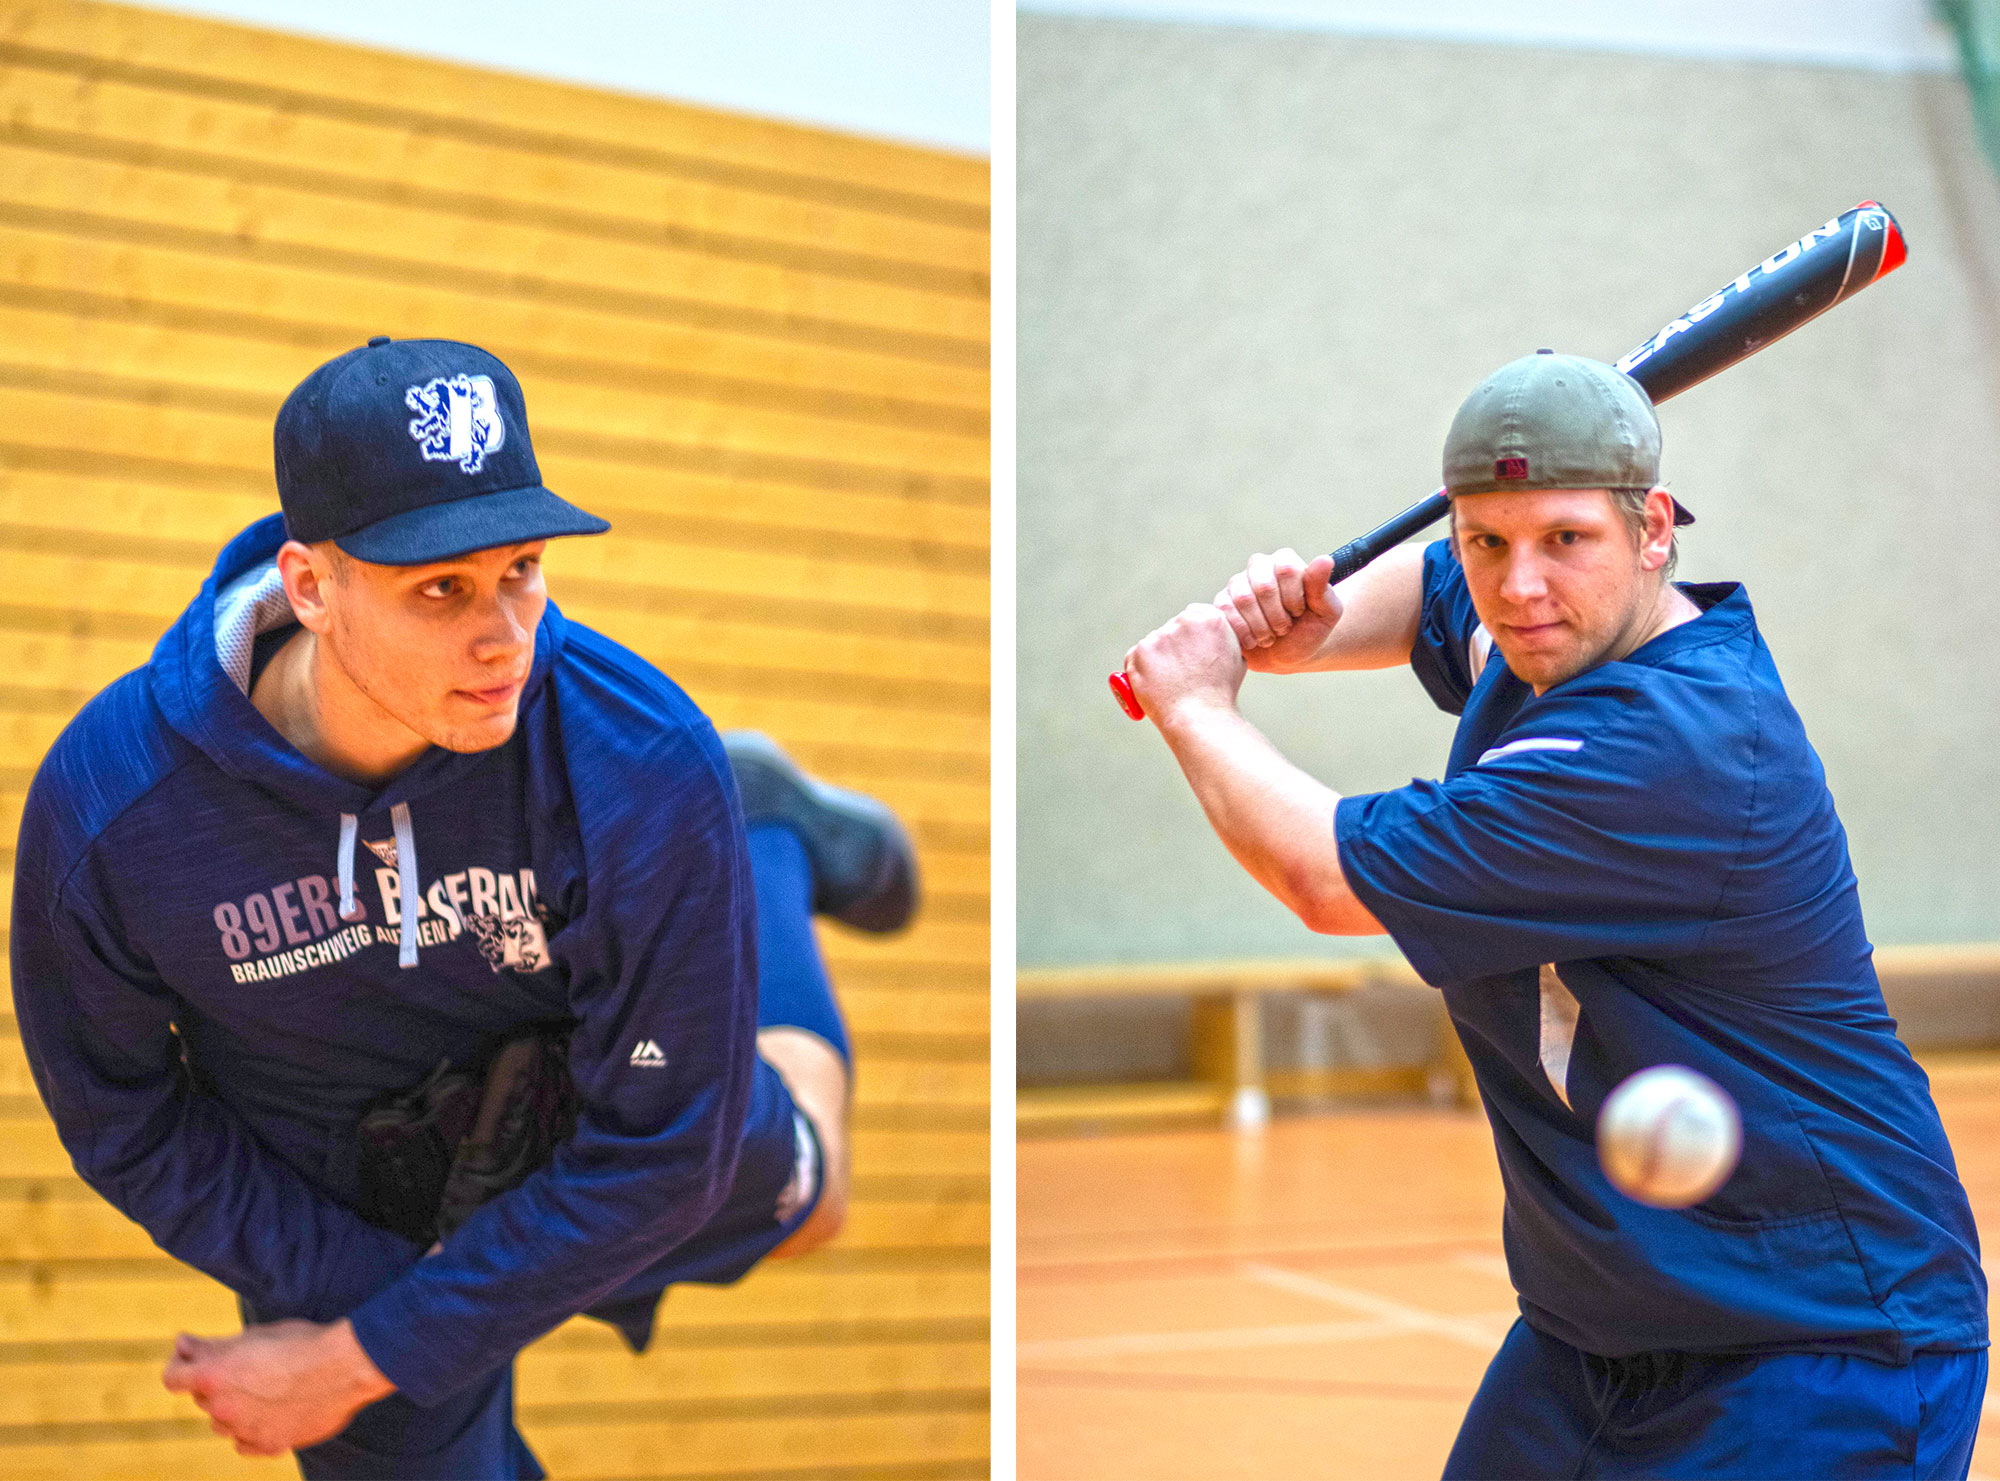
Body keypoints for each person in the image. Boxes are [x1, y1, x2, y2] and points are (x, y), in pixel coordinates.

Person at [9, 337, 916, 1478]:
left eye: (522, 567)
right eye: (440, 588)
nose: (502, 634)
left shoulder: (634, 756)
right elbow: (125, 1116)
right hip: (339, 1204)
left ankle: (764, 835)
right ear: (309, 586)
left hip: (601, 1128)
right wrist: (378, 1312)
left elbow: (669, 1145)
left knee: (815, 1191)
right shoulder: (113, 808)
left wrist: (358, 1357)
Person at [1119, 350, 1987, 1478]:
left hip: (1815, 1339)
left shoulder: (1672, 745)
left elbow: (1324, 877)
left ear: (1654, 529)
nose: (1518, 587)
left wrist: (1195, 700)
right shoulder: (1544, 641)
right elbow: (1439, 594)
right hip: (1593, 1332)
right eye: (1491, 539)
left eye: (1564, 539)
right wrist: (1304, 631)